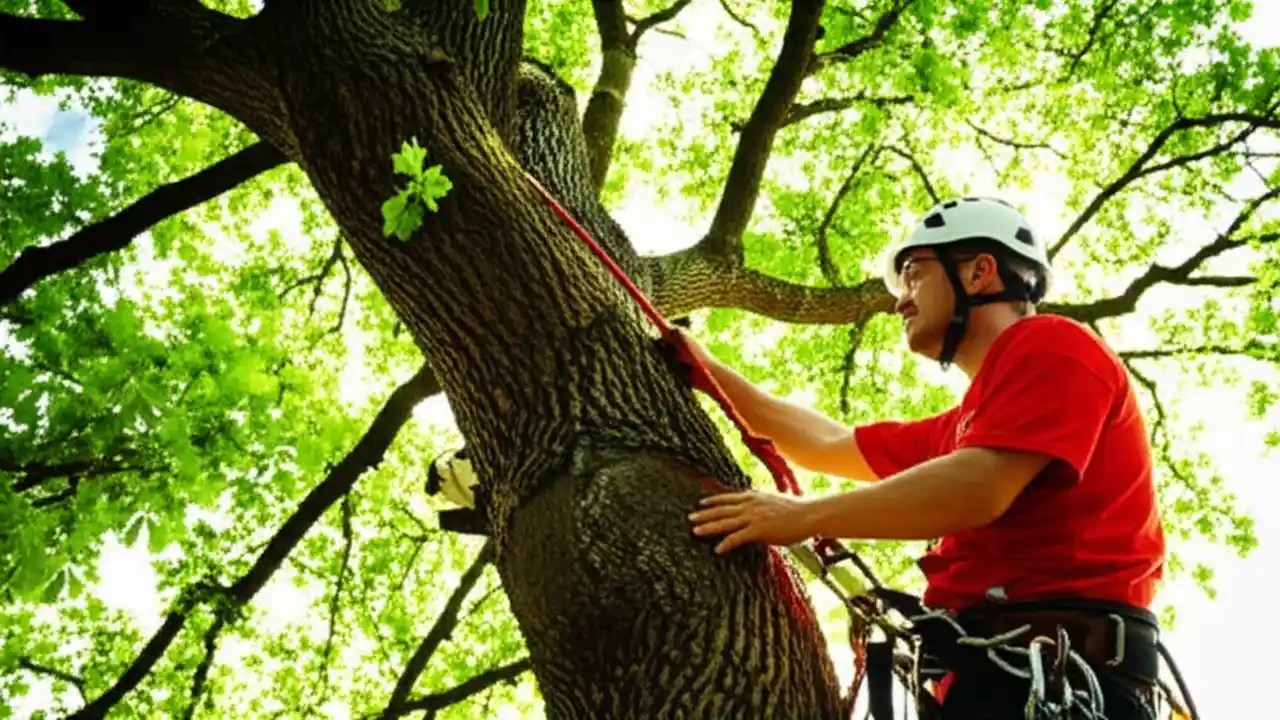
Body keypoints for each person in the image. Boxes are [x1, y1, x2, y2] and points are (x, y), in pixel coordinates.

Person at [682, 197, 1169, 720]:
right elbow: (826, 443)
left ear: (980, 272)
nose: (900, 302)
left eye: (914, 274)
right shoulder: (966, 428)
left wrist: (801, 517)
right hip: (999, 683)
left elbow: (977, 488)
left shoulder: (1054, 345)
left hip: (1056, 686)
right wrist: (707, 372)